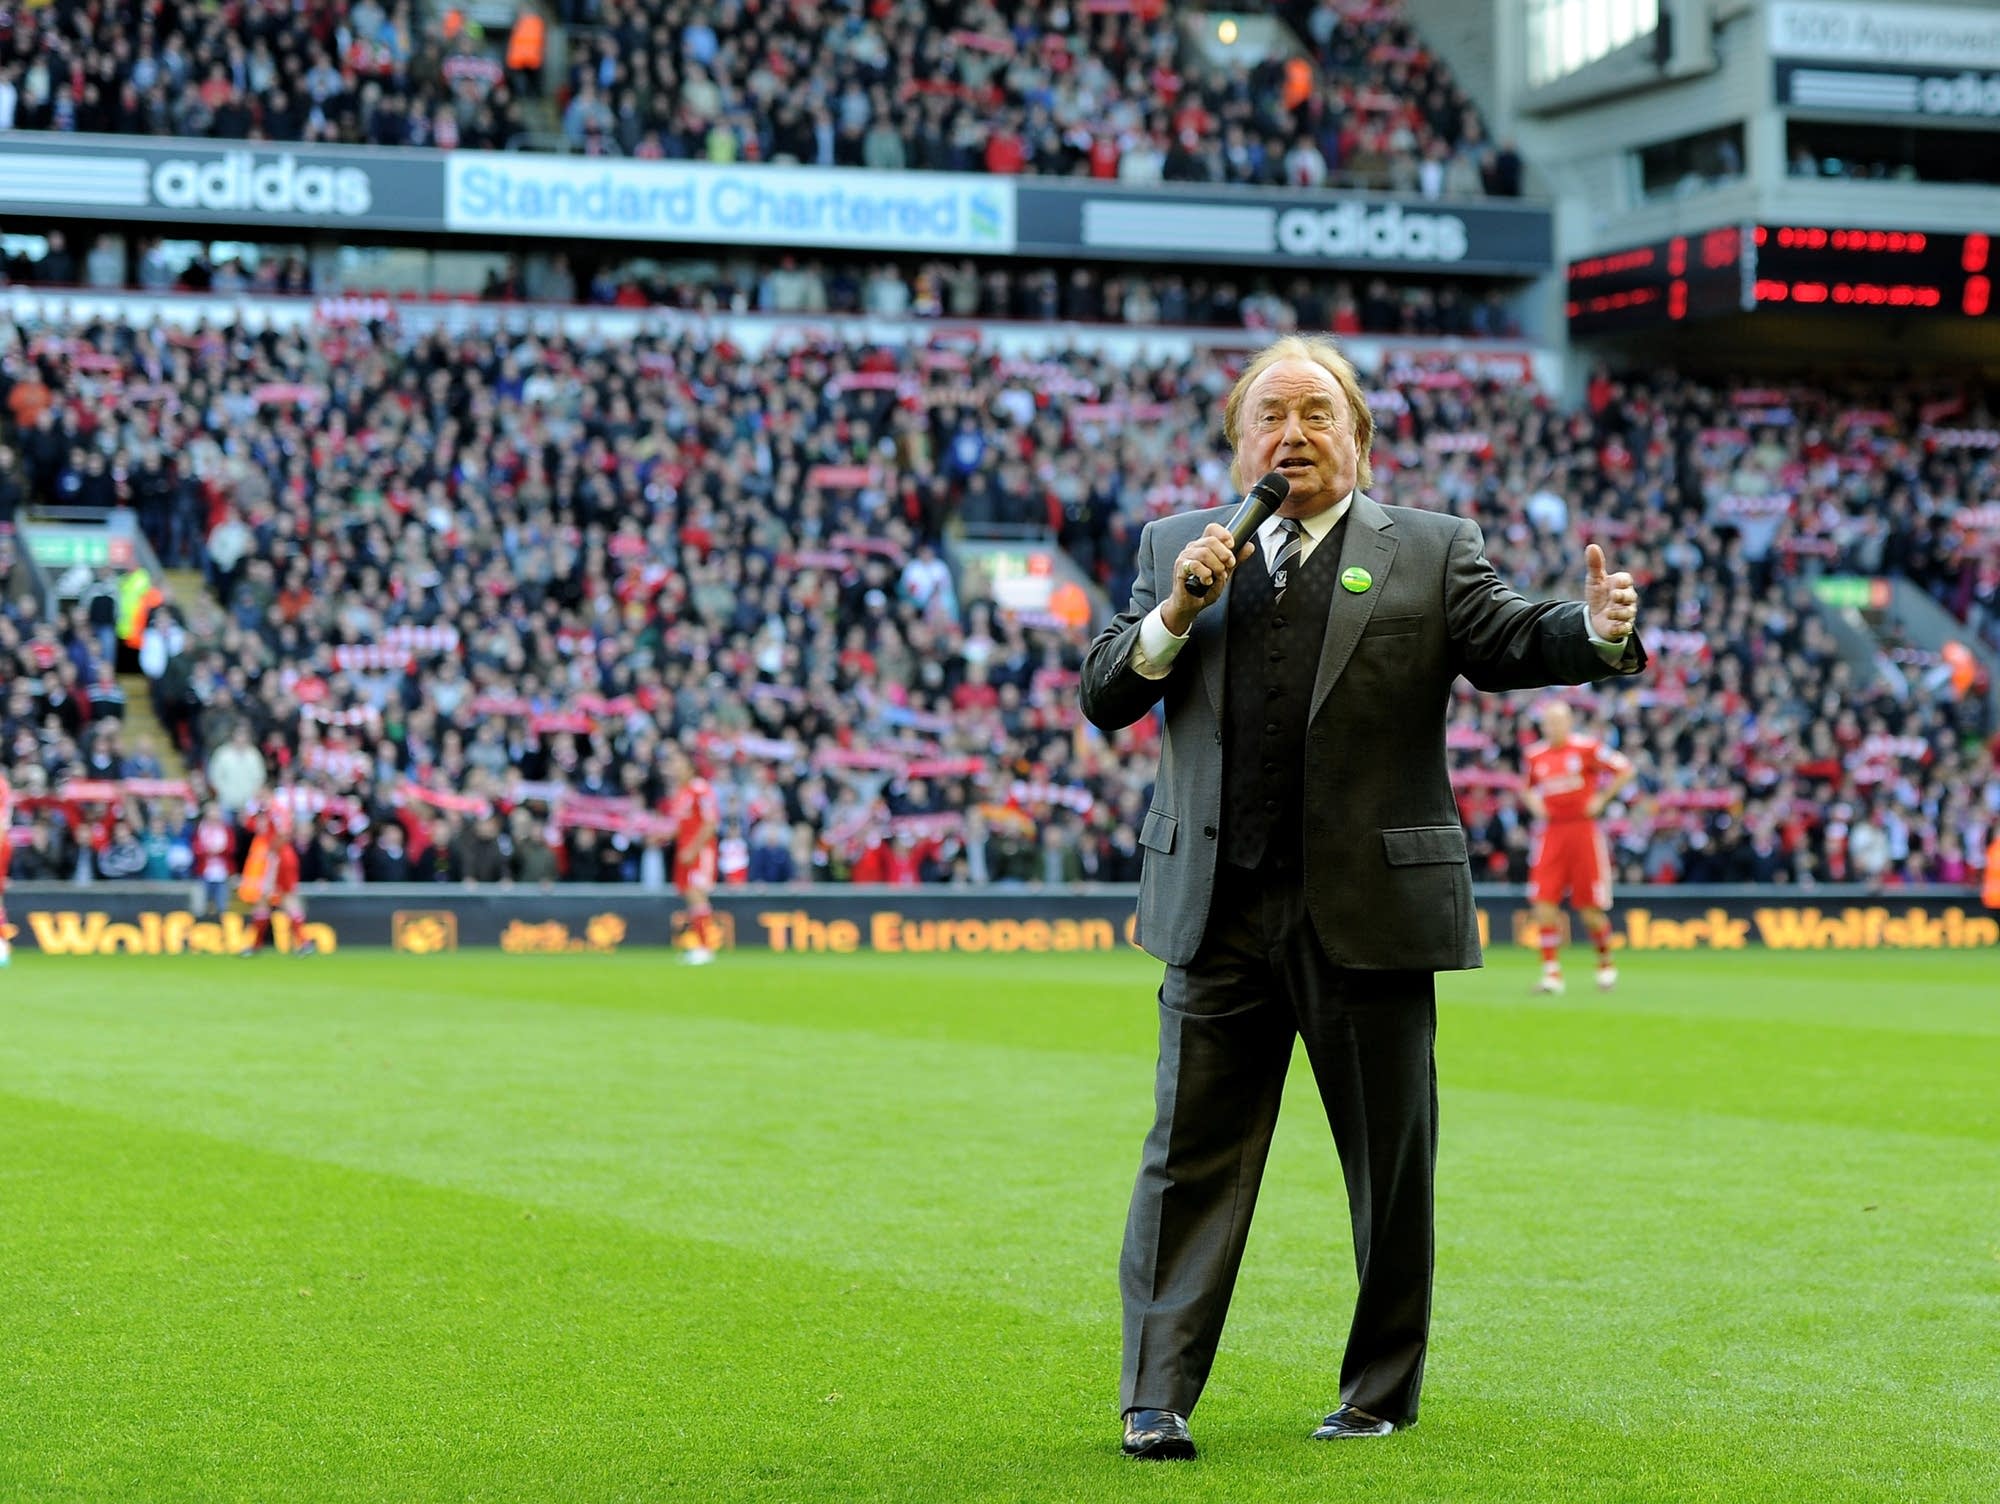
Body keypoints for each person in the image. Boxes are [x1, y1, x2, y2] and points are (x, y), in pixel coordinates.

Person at [1077, 334, 1646, 1461]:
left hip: (1368, 912)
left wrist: (1594, 633)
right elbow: (1106, 692)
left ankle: (1377, 1388)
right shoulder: (1172, 549)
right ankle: (1155, 1397)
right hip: (1217, 909)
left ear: (1360, 438)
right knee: (1185, 1155)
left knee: (1388, 1164)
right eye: (1268, 416)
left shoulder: (1429, 551)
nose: (1291, 434)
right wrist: (1176, 611)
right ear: (1236, 441)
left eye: (1315, 413)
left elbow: (1509, 637)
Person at [1522, 698, 1635, 994]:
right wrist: (1536, 806)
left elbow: (1624, 768)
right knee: (1543, 904)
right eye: (1548, 722)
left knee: (1589, 910)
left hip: (1583, 832)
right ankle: (1552, 975)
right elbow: (1527, 788)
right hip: (1552, 833)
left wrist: (1601, 799)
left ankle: (1606, 964)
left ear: (1569, 723)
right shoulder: (1536, 755)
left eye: (1558, 721)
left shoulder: (1587, 748)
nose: (1553, 727)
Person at [664, 745, 722, 964]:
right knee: (690, 895)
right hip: (685, 851)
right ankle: (700, 944)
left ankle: (706, 947)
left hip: (700, 851)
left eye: (678, 764)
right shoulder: (682, 793)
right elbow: (680, 826)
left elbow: (710, 823)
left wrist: (693, 849)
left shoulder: (701, 789)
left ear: (690, 768)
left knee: (697, 894)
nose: (674, 769)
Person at [235, 808, 315, 956]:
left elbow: (274, 857)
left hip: (279, 870)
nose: (258, 823)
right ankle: (257, 945)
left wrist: (268, 881)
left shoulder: (270, 837)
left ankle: (302, 942)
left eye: (261, 820)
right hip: (281, 868)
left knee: (282, 901)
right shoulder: (263, 837)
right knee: (274, 904)